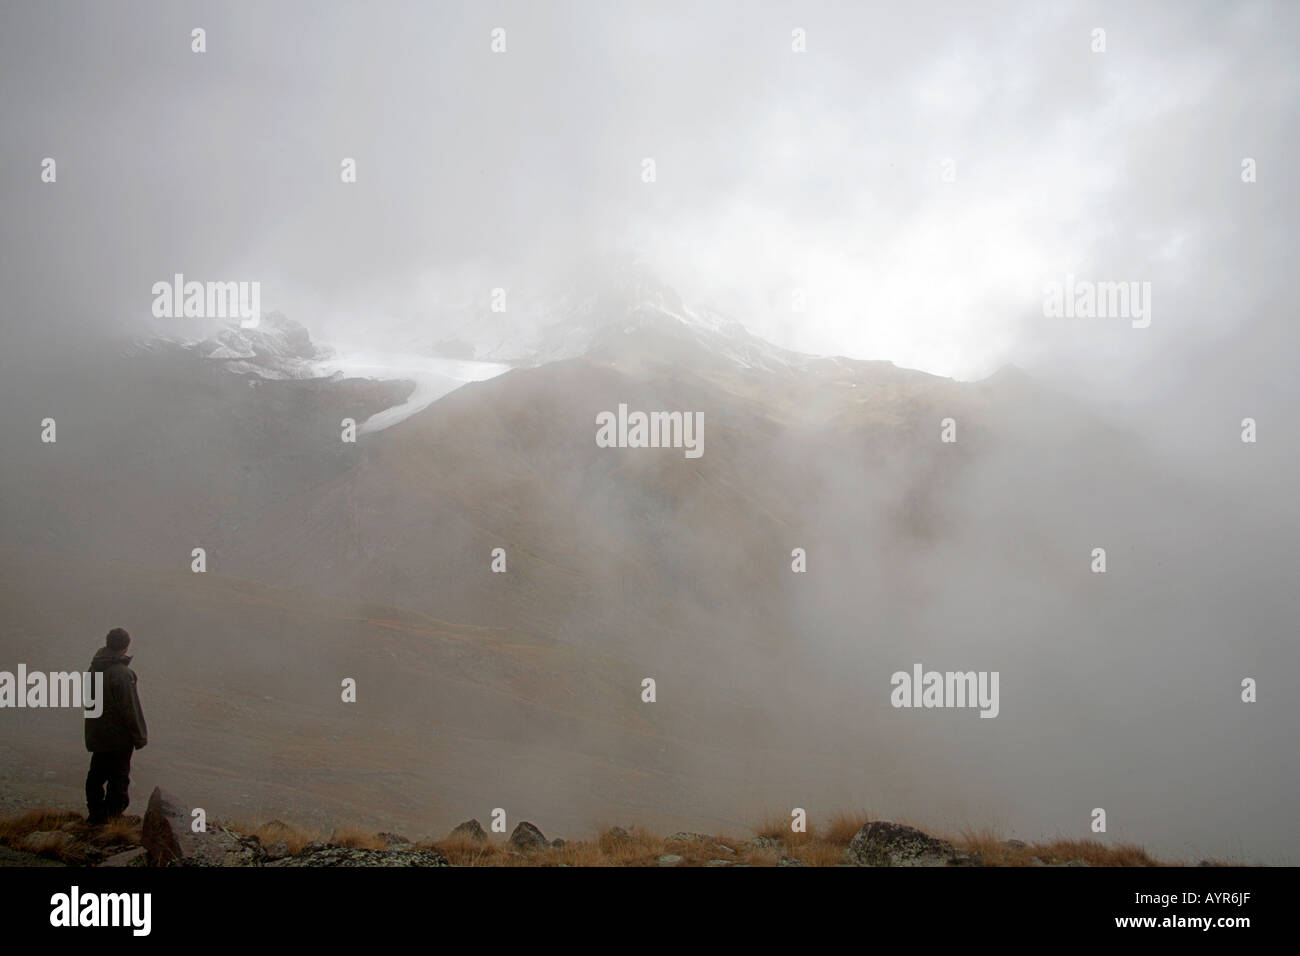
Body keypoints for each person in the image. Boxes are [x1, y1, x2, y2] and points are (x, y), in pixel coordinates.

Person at [84, 627, 148, 824]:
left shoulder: (94, 669)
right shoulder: (122, 674)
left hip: (98, 734)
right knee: (119, 777)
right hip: (119, 737)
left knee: (96, 774)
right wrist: (139, 736)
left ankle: (96, 814)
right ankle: (113, 818)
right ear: (125, 647)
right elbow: (130, 708)